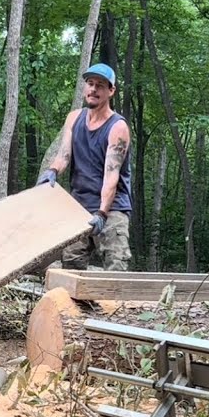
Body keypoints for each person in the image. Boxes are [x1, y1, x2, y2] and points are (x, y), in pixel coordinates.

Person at [36, 63, 132, 271]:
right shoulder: (74, 118)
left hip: (112, 209)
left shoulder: (117, 127)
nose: (94, 89)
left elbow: (111, 175)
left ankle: (114, 304)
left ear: (111, 91)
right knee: (71, 265)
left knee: (116, 266)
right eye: (90, 84)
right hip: (78, 205)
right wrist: (51, 172)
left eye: (100, 85)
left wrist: (101, 213)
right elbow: (63, 155)